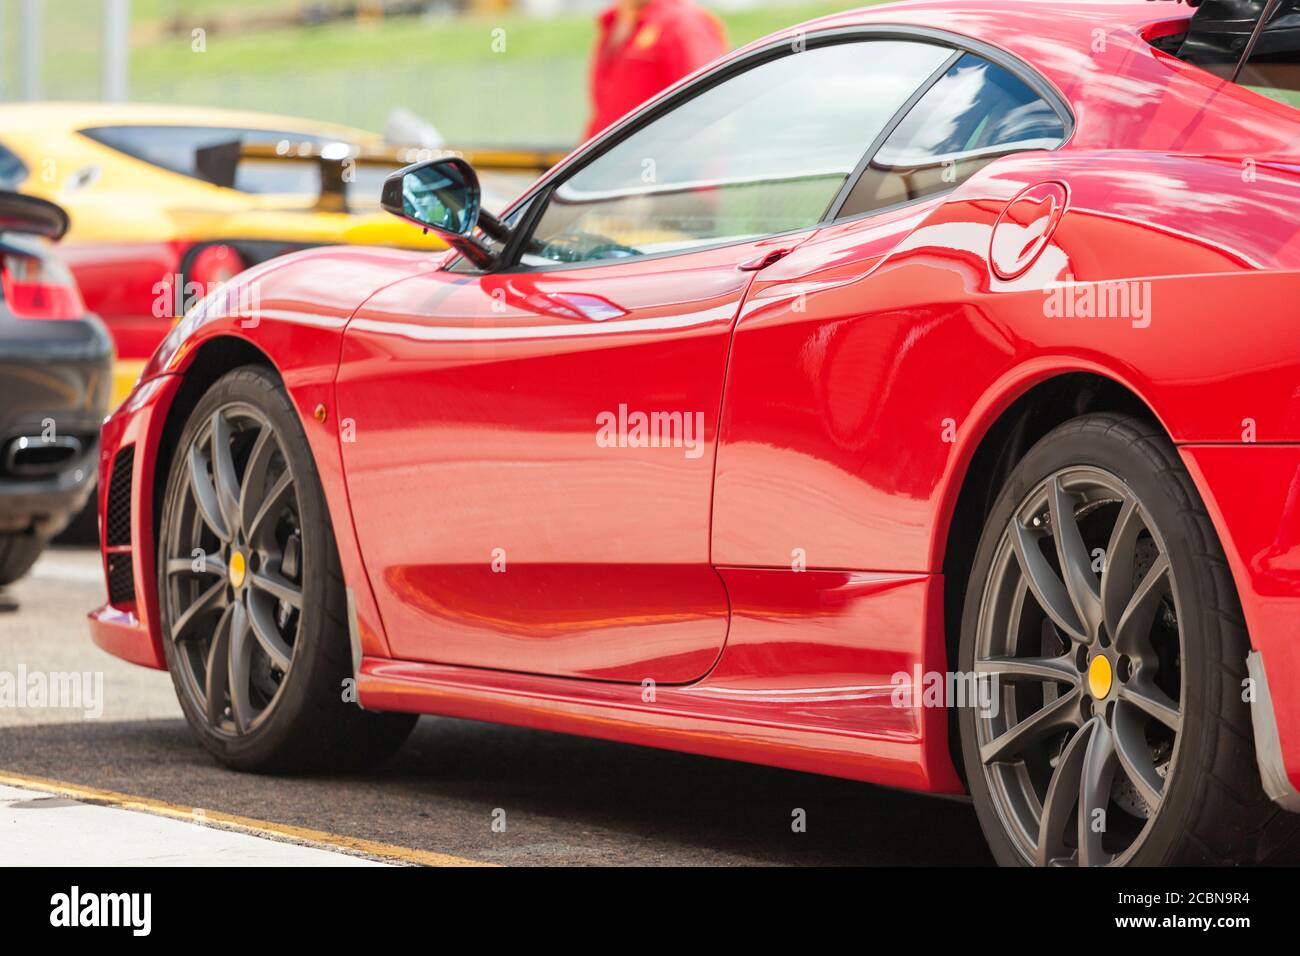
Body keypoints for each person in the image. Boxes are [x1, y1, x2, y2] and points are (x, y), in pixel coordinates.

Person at [585, 0, 727, 140]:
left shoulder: (683, 23)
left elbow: (705, 107)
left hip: (655, 157)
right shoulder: (611, 22)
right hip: (612, 156)